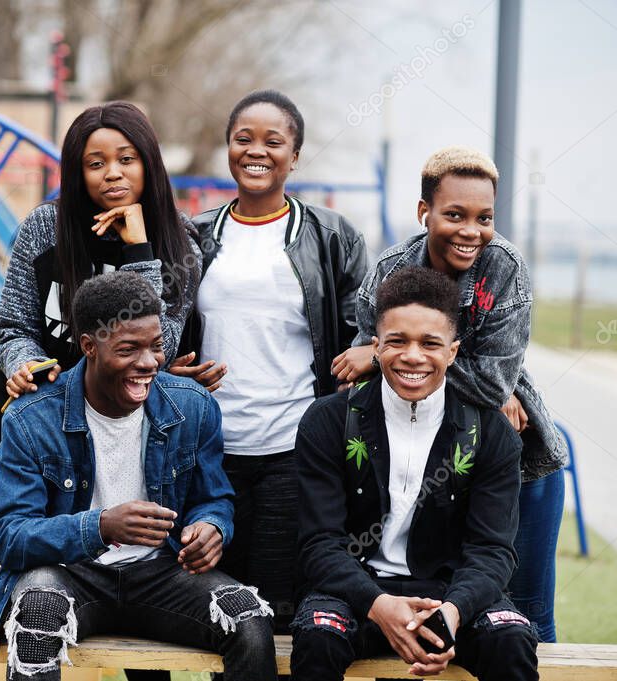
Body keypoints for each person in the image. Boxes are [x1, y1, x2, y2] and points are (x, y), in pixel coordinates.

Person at [0, 272, 276, 681]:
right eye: (128, 349)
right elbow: (8, 535)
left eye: (156, 346)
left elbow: (214, 498)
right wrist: (100, 527)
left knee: (247, 618)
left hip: (159, 575)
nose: (148, 362)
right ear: (89, 346)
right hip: (70, 575)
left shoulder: (193, 405)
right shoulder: (31, 417)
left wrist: (212, 527)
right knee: (39, 615)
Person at [331, 146, 567, 642]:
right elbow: (362, 375)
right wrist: (385, 361)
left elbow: (493, 383)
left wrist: (385, 358)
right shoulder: (390, 270)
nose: (471, 231)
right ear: (425, 212)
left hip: (519, 462)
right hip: (430, 471)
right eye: (455, 215)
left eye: (485, 218)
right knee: (446, 609)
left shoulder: (505, 269)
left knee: (528, 617)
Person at [173, 90, 368, 631]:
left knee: (280, 611)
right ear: (228, 149)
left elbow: (365, 328)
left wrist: (368, 353)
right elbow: (159, 332)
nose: (256, 151)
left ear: (295, 155)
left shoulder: (331, 236)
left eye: (273, 141)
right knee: (222, 615)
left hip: (292, 448)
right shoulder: (192, 236)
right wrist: (170, 373)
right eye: (244, 139)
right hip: (210, 454)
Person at [292, 266, 539, 681]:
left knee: (510, 637)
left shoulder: (490, 432)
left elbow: (492, 550)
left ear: (452, 352)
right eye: (397, 341)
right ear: (375, 347)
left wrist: (452, 613)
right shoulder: (328, 421)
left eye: (430, 343)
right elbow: (319, 544)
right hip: (355, 591)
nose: (412, 356)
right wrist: (379, 605)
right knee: (319, 636)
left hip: (450, 594)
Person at [0, 101, 201, 455]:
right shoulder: (45, 227)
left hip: (123, 416)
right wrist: (25, 365)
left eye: (126, 159)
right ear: (78, 173)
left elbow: (161, 346)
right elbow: (13, 328)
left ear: (148, 163)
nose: (113, 173)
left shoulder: (181, 244)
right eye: (96, 163)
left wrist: (139, 251)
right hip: (39, 410)